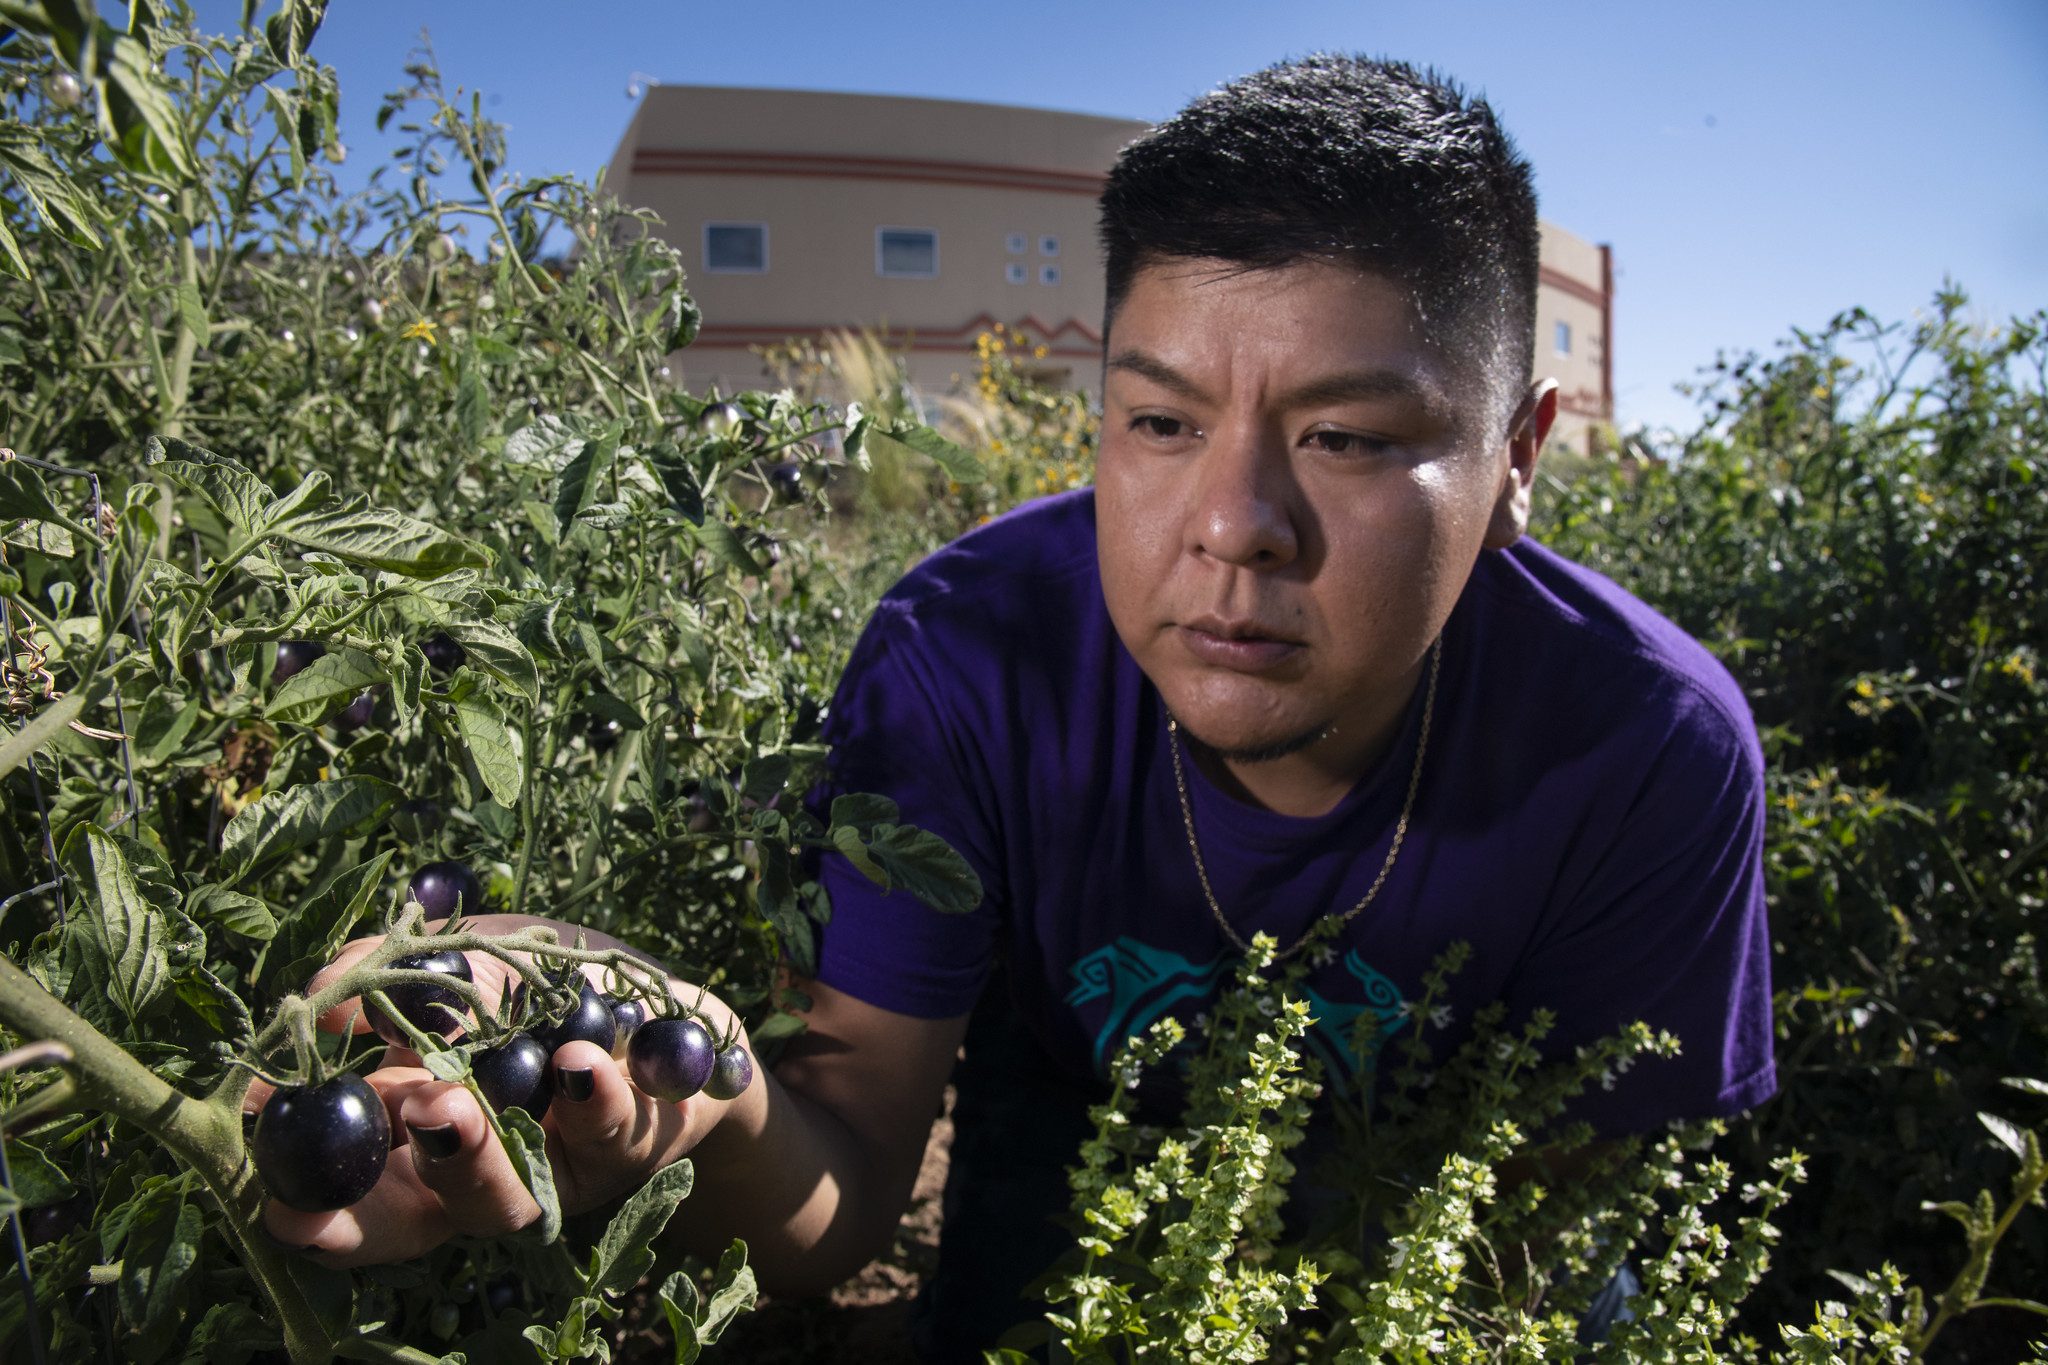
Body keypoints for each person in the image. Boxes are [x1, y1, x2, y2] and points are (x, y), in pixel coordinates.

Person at [266, 54, 1776, 1362]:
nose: (1234, 522)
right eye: (1163, 421)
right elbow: (835, 1196)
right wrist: (711, 1084)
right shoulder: (965, 655)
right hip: (1063, 1136)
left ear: (1519, 454)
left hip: (1430, 1189)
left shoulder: (1650, 744)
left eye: (1348, 436)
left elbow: (1557, 1213)